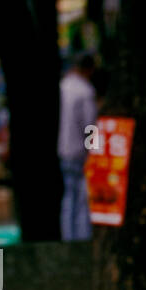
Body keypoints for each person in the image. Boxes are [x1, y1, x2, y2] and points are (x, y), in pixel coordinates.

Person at [58, 53, 98, 241]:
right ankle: (81, 239)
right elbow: (90, 125)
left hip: (64, 149)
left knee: (68, 198)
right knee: (82, 199)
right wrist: (94, 151)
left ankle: (68, 236)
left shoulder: (63, 87)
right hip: (80, 152)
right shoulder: (85, 91)